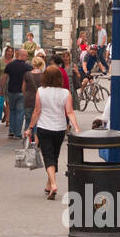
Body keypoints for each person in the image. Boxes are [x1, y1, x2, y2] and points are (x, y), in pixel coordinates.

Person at [26, 65, 79, 200]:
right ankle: (49, 184)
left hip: (44, 127)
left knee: (48, 156)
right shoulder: (66, 93)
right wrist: (76, 127)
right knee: (54, 155)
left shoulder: (41, 91)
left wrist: (30, 127)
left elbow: (37, 111)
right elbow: (70, 112)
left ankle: (54, 184)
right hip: (60, 128)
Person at [2, 48, 32, 139]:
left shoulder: (10, 65)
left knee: (12, 111)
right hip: (22, 92)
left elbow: (4, 78)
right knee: (20, 112)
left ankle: (11, 131)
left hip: (11, 91)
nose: (27, 57)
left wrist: (2, 90)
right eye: (26, 55)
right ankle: (18, 133)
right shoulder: (28, 67)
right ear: (21, 55)